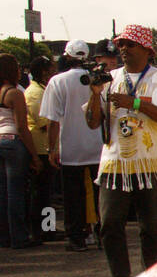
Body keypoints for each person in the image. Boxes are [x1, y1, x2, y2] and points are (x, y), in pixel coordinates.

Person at [85, 25, 157, 277]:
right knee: (109, 223)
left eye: (129, 44)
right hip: (115, 164)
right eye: (121, 45)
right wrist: (95, 96)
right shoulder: (108, 79)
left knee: (150, 226)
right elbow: (93, 122)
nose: (123, 49)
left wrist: (136, 103)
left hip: (149, 164)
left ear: (146, 49)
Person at [39, 40, 103, 251]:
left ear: (66, 56)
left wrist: (52, 149)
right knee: (97, 194)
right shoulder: (98, 79)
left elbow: (53, 120)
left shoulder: (57, 81)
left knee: (73, 196)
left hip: (70, 147)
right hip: (96, 145)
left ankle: (76, 237)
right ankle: (100, 233)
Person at [0, 53, 43, 248]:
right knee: (16, 193)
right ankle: (19, 237)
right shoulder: (15, 93)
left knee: (3, 193)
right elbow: (22, 127)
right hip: (13, 142)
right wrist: (34, 155)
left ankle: (4, 236)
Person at [24, 56, 54, 244]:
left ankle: (48, 228)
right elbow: (45, 122)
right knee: (42, 193)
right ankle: (43, 230)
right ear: (43, 71)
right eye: (50, 69)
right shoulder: (35, 93)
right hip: (41, 148)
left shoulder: (41, 90)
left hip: (45, 147)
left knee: (46, 193)